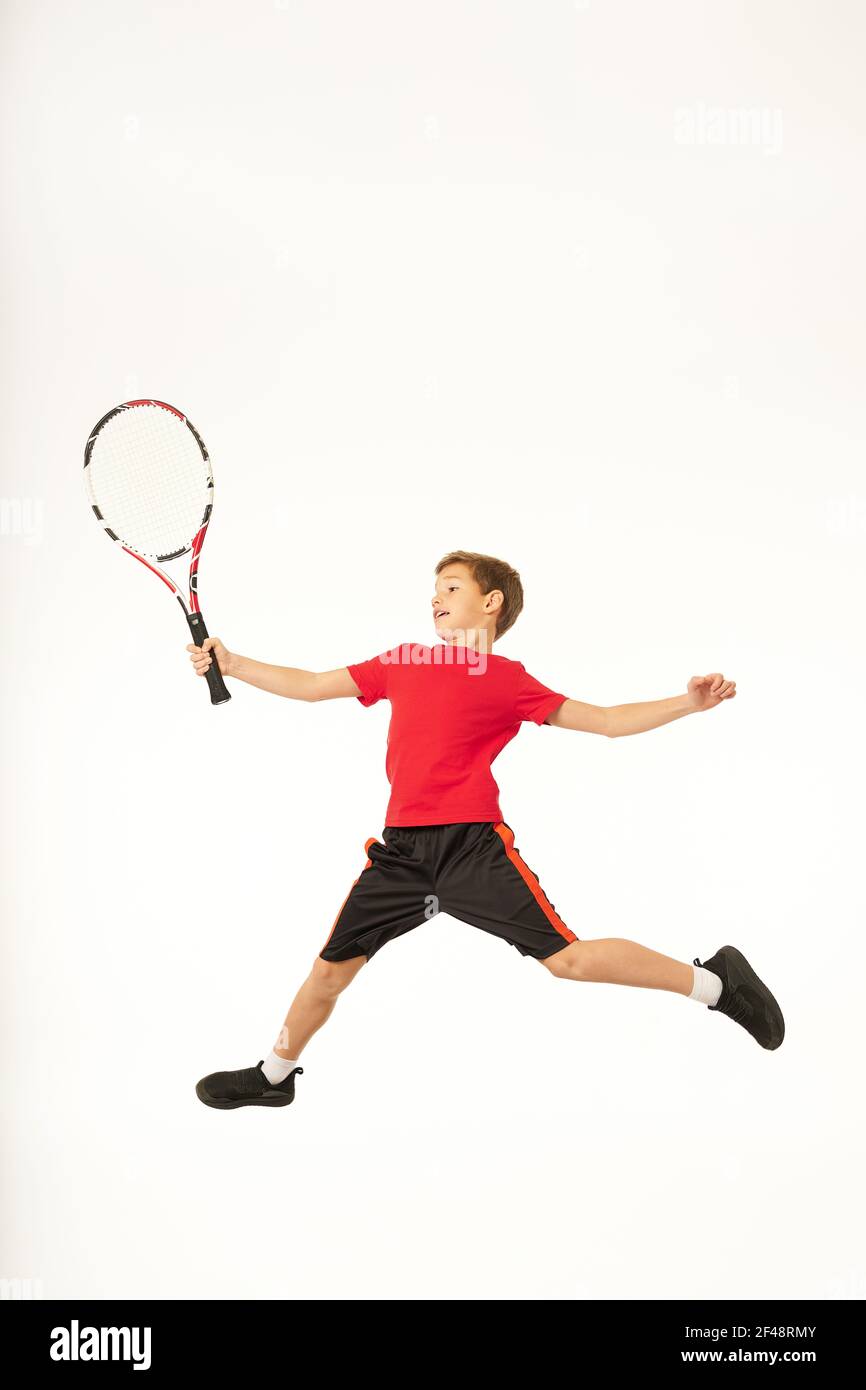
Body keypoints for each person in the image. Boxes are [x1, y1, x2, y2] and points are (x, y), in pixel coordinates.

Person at [191, 549, 784, 1111]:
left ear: (492, 602)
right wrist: (233, 663)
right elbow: (314, 685)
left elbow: (605, 721)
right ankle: (273, 1078)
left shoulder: (507, 679)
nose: (436, 599)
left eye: (451, 587)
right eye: (433, 590)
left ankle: (716, 983)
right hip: (403, 854)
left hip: (472, 848)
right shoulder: (404, 661)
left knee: (567, 961)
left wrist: (687, 703)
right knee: (328, 971)